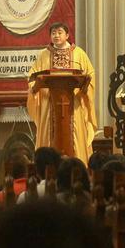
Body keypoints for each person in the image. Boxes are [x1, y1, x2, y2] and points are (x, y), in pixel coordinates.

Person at [26, 22, 97, 163]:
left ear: (67, 35)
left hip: (74, 103)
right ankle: (47, 167)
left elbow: (90, 74)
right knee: (48, 135)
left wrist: (85, 86)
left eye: (59, 32)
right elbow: (32, 76)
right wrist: (36, 86)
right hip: (49, 102)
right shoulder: (44, 55)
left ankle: (78, 166)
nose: (56, 35)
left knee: (76, 135)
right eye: (53, 33)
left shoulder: (78, 53)